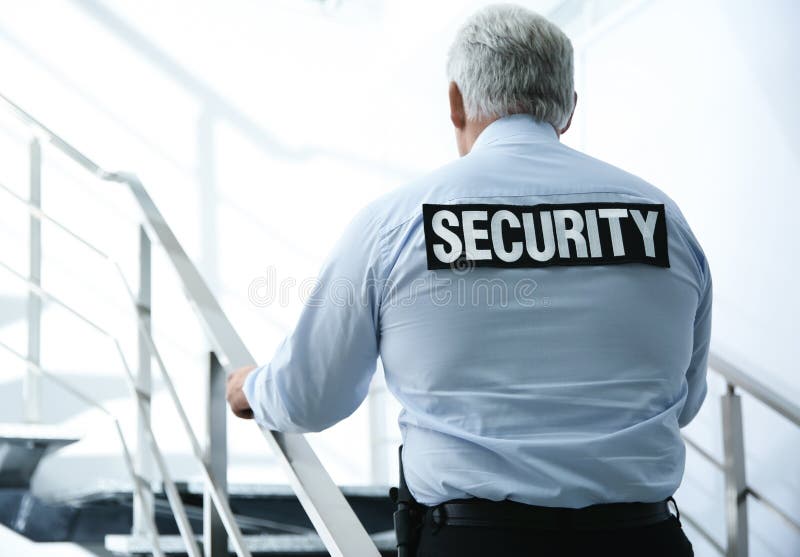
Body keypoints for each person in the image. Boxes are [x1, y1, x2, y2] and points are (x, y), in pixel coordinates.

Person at [226, 4, 709, 556]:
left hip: (473, 543)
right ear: (569, 109)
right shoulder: (664, 222)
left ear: (456, 102)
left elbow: (312, 395)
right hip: (643, 542)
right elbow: (684, 399)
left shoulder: (398, 222)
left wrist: (253, 389)